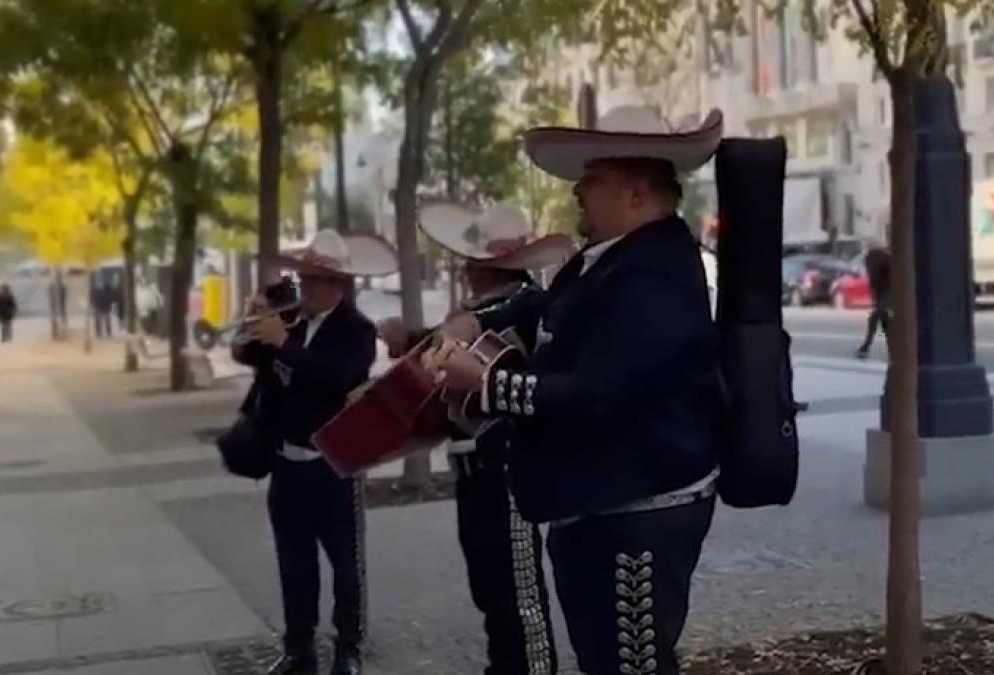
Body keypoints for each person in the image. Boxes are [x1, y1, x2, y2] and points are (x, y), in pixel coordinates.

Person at [429, 106, 724, 674]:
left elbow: (596, 393)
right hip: (602, 509)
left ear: (636, 195)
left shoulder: (656, 273)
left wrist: (488, 383)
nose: (577, 193)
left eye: (593, 180)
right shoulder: (616, 261)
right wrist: (478, 321)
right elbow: (541, 304)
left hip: (635, 515)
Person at [379, 201, 574, 675]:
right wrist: (411, 341)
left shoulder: (526, 301)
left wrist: (430, 337)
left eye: (476, 261)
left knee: (518, 595)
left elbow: (478, 326)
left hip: (508, 470)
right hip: (472, 468)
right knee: (489, 588)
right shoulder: (478, 307)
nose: (466, 269)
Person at [234, 231, 396, 675]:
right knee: (294, 562)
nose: (306, 287)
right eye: (304, 278)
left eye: (316, 280)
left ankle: (348, 647)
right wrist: (255, 322)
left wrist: (284, 345)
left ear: (336, 284)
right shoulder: (292, 322)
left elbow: (338, 376)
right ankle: (298, 647)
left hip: (334, 465)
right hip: (287, 464)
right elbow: (245, 354)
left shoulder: (356, 330)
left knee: (346, 563)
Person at [856, 246, 891, 359]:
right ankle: (867, 346)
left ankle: (866, 347)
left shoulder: (882, 268)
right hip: (884, 299)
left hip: (885, 299)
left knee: (877, 319)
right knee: (882, 321)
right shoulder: (881, 267)